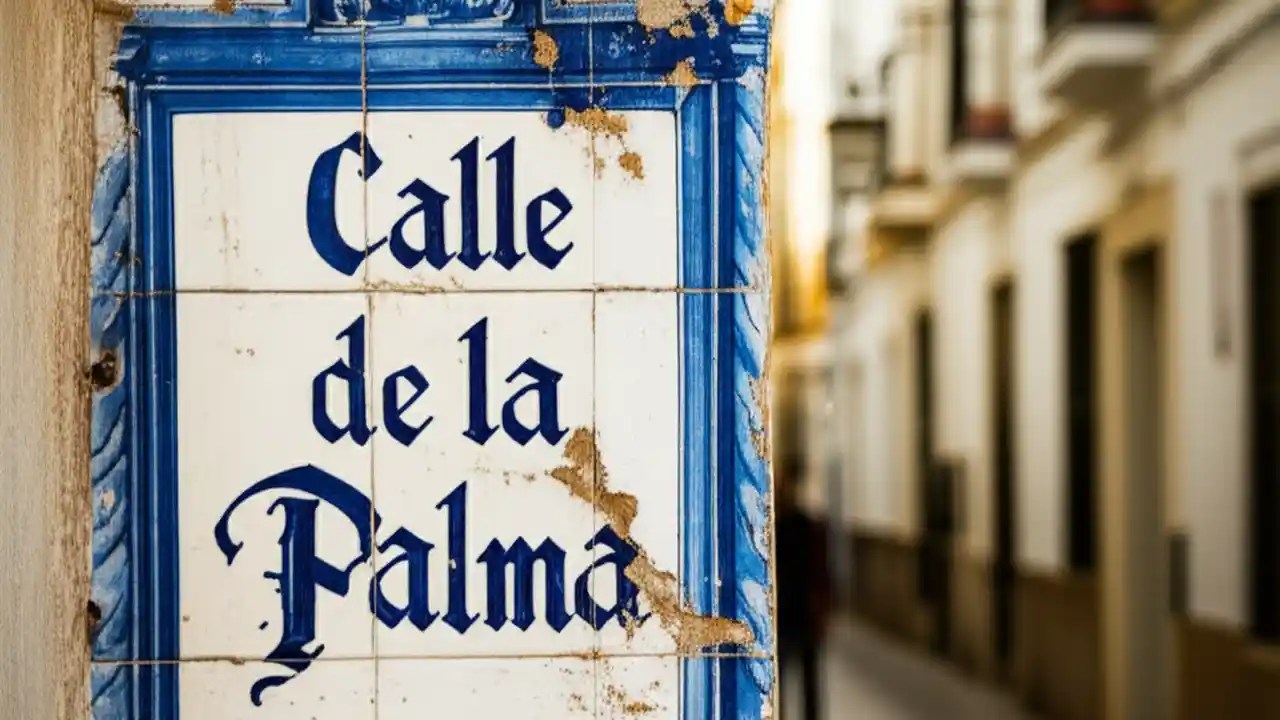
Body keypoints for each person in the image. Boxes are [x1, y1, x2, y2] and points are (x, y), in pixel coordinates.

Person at [775, 454, 830, 720]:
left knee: (807, 678)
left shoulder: (804, 524)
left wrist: (822, 607)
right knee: (781, 676)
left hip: (801, 611)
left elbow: (820, 570)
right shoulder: (776, 525)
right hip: (786, 612)